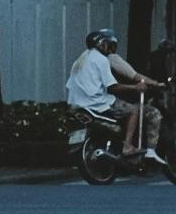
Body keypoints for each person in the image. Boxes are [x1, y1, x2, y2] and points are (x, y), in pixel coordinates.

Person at [66, 25, 154, 158]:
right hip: (96, 103)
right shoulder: (101, 59)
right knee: (133, 110)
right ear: (102, 44)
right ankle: (127, 146)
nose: (111, 49)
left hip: (75, 104)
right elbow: (113, 87)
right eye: (109, 45)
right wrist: (136, 88)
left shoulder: (80, 60)